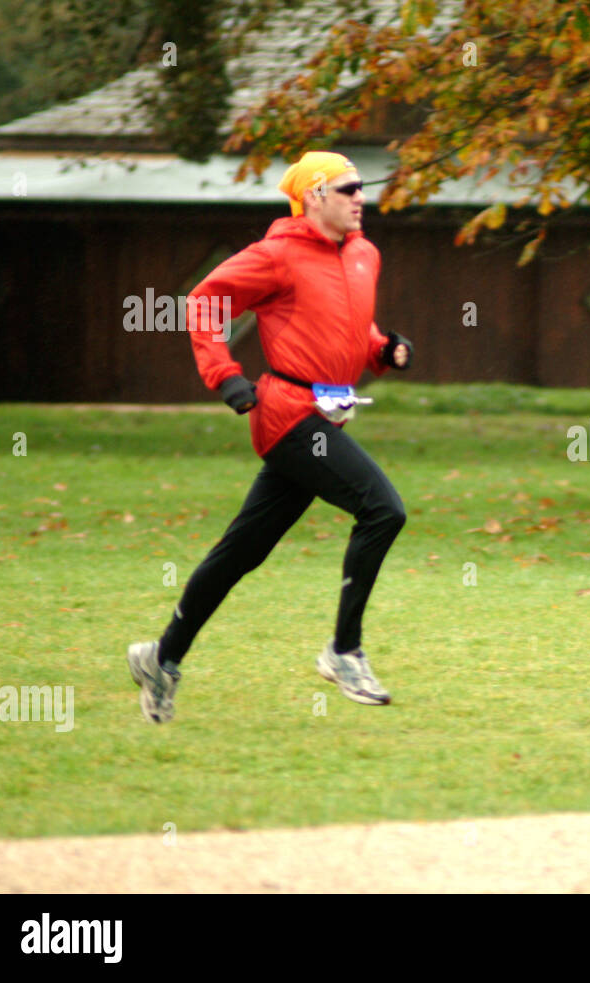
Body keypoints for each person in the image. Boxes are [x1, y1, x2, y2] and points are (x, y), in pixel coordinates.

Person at [127, 150, 413, 723]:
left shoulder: (365, 255)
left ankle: (162, 657)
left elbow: (350, 326)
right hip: (286, 415)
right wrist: (226, 376)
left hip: (327, 414)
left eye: (362, 188)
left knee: (242, 551)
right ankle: (344, 650)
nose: (362, 197)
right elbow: (205, 302)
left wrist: (381, 350)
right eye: (349, 188)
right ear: (314, 196)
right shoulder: (277, 256)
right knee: (383, 509)